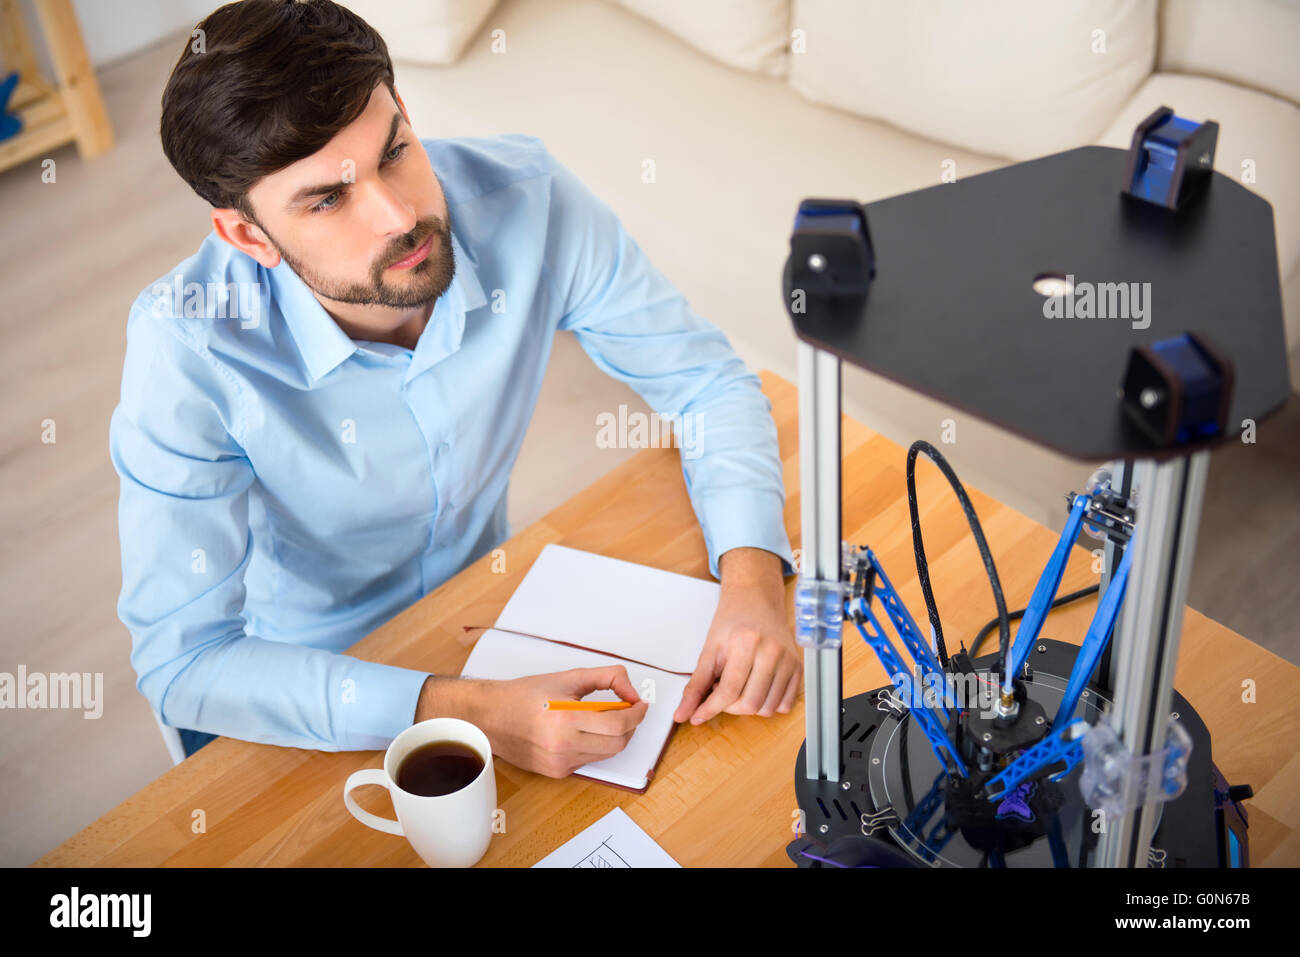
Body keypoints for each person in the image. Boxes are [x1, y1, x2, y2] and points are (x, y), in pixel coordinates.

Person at [111, 0, 800, 776]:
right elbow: (185, 662)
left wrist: (751, 579)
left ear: (404, 111)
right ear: (246, 235)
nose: (401, 215)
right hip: (305, 690)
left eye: (395, 150)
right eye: (329, 198)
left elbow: (704, 381)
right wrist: (469, 713)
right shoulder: (185, 348)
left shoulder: (530, 201)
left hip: (491, 619)